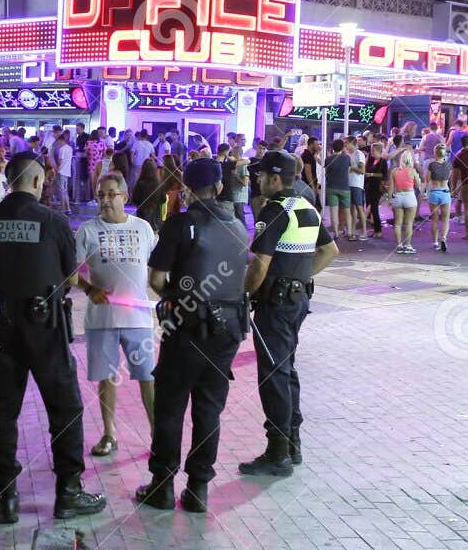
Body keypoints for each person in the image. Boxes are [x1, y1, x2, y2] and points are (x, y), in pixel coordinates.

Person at [0, 152, 106, 525]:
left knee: (1, 411)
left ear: (9, 180)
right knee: (64, 409)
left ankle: (7, 497)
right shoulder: (54, 222)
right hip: (44, 329)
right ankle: (68, 492)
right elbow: (70, 276)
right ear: (39, 180)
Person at [134, 159, 250, 513]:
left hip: (187, 328)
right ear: (218, 188)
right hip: (228, 328)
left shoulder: (181, 224)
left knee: (170, 407)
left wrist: (176, 298)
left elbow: (155, 279)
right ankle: (198, 488)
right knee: (209, 408)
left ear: (186, 188)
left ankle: (163, 485)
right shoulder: (239, 225)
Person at [238, 151, 339, 475]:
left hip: (275, 306)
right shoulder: (306, 207)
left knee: (274, 375)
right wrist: (301, 277)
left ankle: (277, 452)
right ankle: (292, 444)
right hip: (296, 303)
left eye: (262, 174)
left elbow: (259, 266)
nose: (257, 179)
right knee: (287, 371)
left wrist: (243, 293)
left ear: (276, 178)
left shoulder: (275, 210)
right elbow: (330, 250)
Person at [74, 171, 157, 458]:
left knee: (148, 376)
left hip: (139, 320)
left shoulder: (144, 228)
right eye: (101, 195)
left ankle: (158, 434)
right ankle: (109, 434)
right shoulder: (87, 230)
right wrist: (88, 289)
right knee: (106, 378)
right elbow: (70, 272)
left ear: (125, 196)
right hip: (102, 319)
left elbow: (158, 267)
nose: (106, 200)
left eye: (111, 194)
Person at [388, 147, 420, 254]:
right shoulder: (412, 171)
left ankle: (399, 245)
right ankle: (408, 245)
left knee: (397, 223)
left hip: (398, 196)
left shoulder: (394, 171)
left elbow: (391, 188)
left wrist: (390, 200)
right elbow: (418, 185)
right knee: (409, 223)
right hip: (410, 196)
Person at [323, 138, 352, 238]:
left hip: (331, 187)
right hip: (344, 187)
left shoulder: (328, 159)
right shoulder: (347, 158)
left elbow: (326, 173)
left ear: (332, 148)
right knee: (347, 211)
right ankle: (349, 232)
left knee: (333, 211)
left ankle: (336, 233)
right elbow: (347, 171)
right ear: (343, 147)